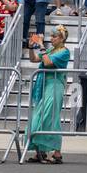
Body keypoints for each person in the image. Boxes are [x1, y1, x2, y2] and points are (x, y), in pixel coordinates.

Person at [25, 24, 70, 164]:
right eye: (51, 36)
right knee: (38, 117)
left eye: (54, 36)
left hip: (55, 85)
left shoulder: (64, 52)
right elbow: (33, 59)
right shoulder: (51, 49)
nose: (52, 39)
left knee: (51, 118)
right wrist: (31, 47)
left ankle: (57, 153)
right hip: (45, 86)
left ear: (62, 38)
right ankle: (41, 152)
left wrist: (41, 46)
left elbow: (48, 62)